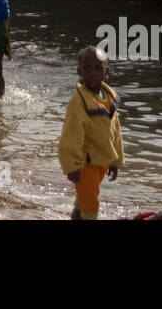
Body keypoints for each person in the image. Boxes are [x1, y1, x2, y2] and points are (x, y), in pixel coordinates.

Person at [58, 46, 123, 220]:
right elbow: (70, 136)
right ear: (80, 72)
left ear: (106, 72)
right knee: (91, 207)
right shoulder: (78, 103)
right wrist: (72, 165)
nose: (92, 73)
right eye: (87, 68)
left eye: (97, 68)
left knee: (82, 203)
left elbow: (114, 131)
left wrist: (115, 160)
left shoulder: (108, 98)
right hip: (85, 166)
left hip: (100, 163)